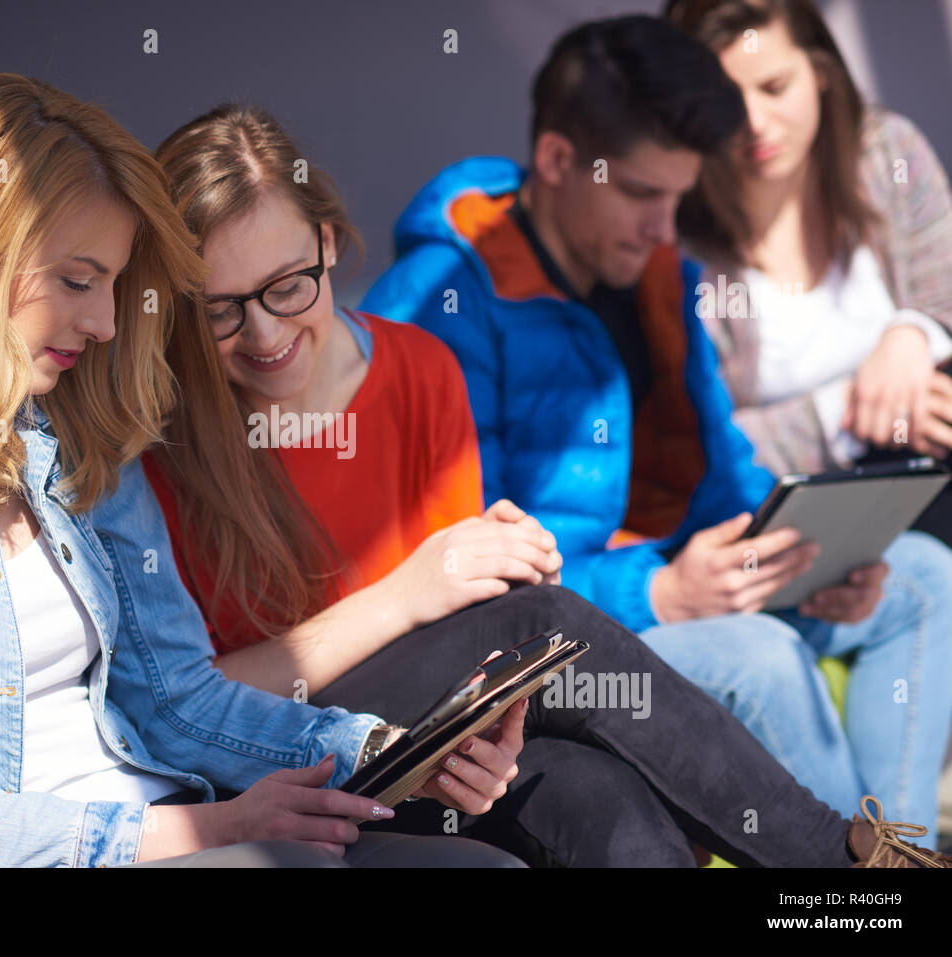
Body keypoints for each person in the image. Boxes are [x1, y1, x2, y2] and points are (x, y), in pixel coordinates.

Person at [0, 72, 527, 869]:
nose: (104, 322)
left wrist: (394, 750)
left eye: (112, 287)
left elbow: (180, 702)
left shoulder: (67, 428)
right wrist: (209, 830)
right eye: (77, 280)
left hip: (187, 821)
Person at [141, 101, 948, 866]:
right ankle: (841, 865)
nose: (267, 332)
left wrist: (493, 727)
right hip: (261, 760)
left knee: (607, 804)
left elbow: (467, 640)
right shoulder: (153, 437)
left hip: (409, 744)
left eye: (289, 285)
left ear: (326, 243)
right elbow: (178, 705)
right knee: (545, 619)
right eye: (219, 310)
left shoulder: (417, 369)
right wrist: (413, 592)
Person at [360, 15, 952, 842]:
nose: (666, 226)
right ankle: (857, 885)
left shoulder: (655, 274)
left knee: (922, 575)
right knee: (762, 659)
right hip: (553, 641)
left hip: (672, 580)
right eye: (642, 194)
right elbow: (455, 571)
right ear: (561, 160)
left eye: (677, 197)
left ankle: (903, 854)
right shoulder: (444, 305)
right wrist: (659, 593)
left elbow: (722, 466)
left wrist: (795, 553)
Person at [665, 0, 952, 551]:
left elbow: (941, 285)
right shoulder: (676, 241)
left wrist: (912, 332)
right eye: (726, 101)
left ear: (821, 71)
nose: (753, 122)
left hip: (926, 463)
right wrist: (850, 411)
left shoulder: (886, 150)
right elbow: (693, 451)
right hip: (787, 515)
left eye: (775, 87)